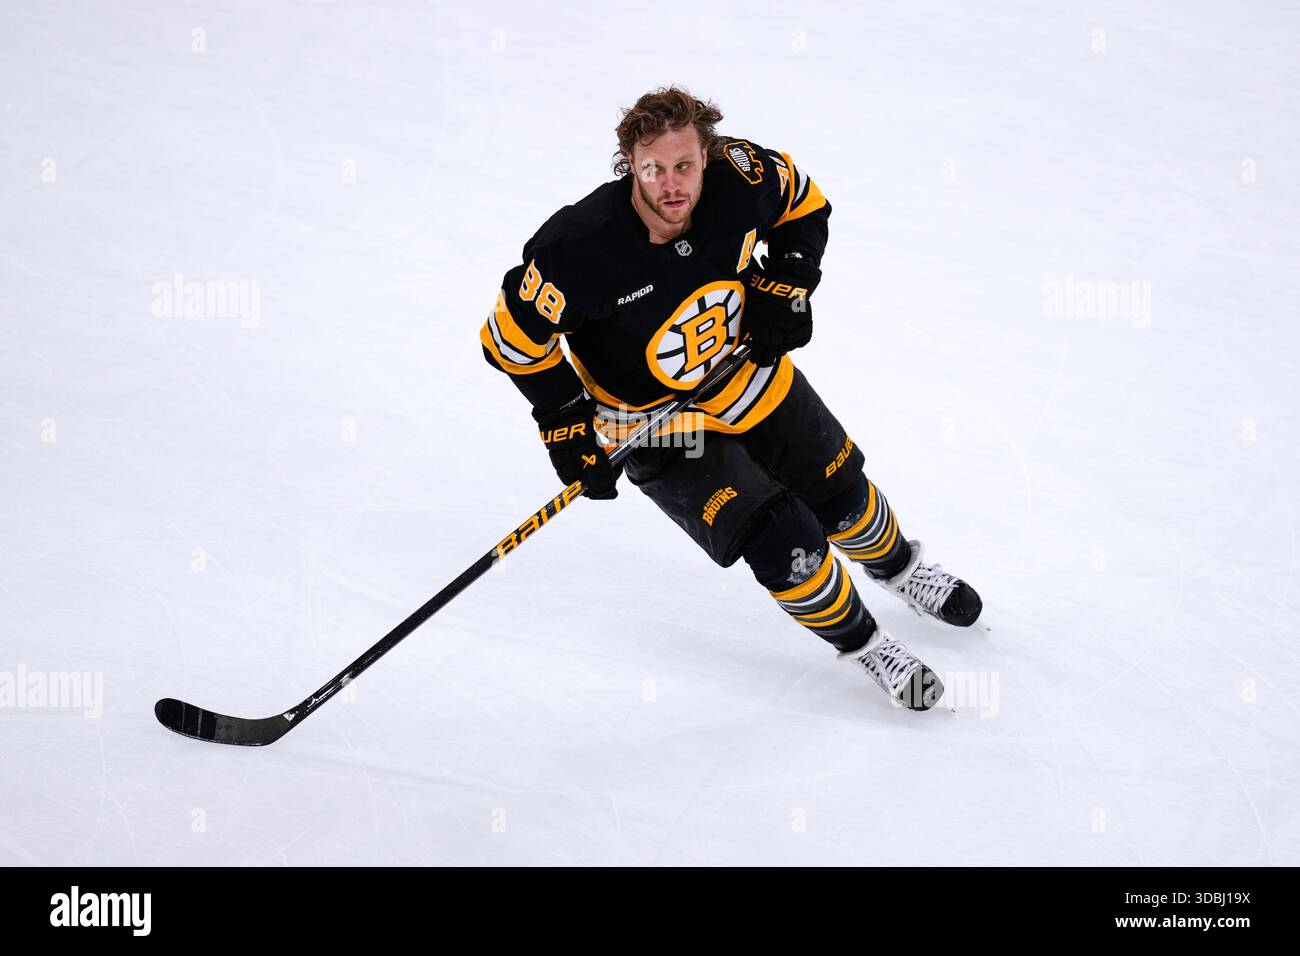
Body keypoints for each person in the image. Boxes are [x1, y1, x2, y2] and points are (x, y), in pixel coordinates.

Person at [480, 86, 981, 711]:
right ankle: (866, 644)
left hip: (747, 372)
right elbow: (510, 339)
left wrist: (788, 282)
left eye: (684, 165)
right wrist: (564, 421)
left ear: (706, 155)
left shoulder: (741, 178)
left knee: (843, 498)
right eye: (653, 168)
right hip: (652, 423)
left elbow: (804, 202)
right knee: (783, 542)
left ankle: (903, 571)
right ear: (628, 164)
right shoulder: (577, 248)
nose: (671, 185)